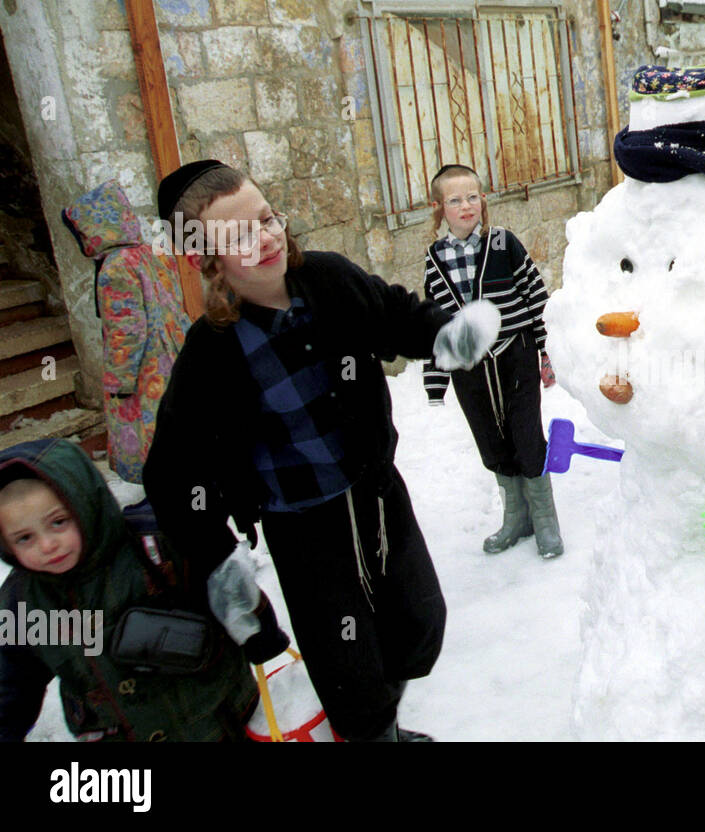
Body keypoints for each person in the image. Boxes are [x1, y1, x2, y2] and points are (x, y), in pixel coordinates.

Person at [142, 160, 500, 742]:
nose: (262, 239)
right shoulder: (210, 353)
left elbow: (394, 313)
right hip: (303, 528)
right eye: (236, 236)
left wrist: (442, 334)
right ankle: (372, 731)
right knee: (344, 656)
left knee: (417, 620)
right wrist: (222, 569)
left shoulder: (331, 280)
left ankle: (381, 707)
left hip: (376, 494)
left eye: (265, 219)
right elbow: (174, 474)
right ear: (205, 260)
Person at [0, 439, 278, 741]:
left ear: (86, 504)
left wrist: (258, 629)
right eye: (24, 538)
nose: (47, 545)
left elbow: (227, 585)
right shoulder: (23, 602)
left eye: (58, 522)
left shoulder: (154, 546)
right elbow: (11, 682)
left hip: (214, 720)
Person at [421, 163, 563, 559]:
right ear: (439, 208)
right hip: (470, 370)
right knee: (491, 441)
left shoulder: (503, 243)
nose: (466, 206)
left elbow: (536, 297)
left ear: (482, 200)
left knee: (527, 435)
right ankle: (517, 517)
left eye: (473, 197)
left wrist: (547, 349)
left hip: (514, 356)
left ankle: (546, 520)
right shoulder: (435, 259)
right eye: (455, 200)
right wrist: (436, 381)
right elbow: (435, 323)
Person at [61, 180, 190, 484]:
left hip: (147, 368)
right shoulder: (151, 253)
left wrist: (120, 382)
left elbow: (126, 330)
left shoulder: (115, 268)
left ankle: (164, 484)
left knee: (151, 429)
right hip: (176, 349)